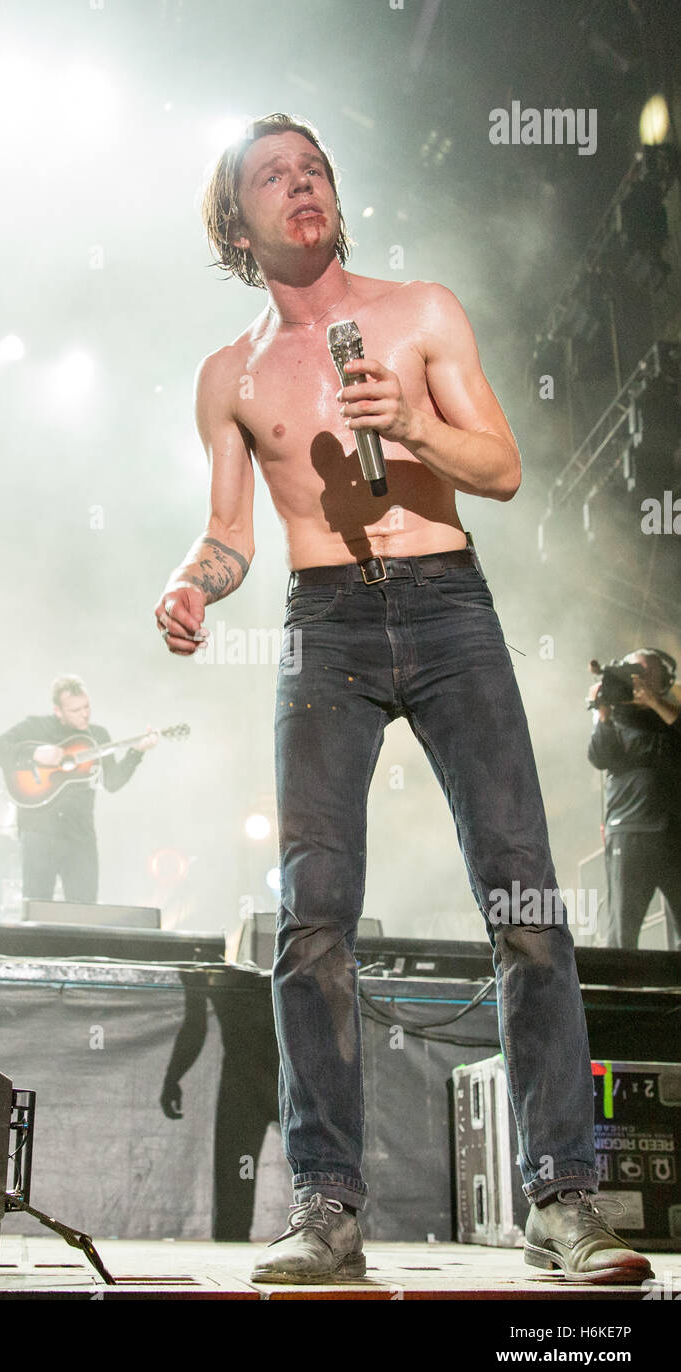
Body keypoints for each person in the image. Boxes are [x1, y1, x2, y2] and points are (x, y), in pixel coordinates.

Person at [155, 112, 651, 1286]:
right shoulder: (228, 375)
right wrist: (191, 584)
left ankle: (561, 1198)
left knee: (524, 897)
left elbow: (503, 469)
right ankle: (325, 1207)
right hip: (322, 626)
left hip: (445, 605)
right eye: (273, 176)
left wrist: (412, 421)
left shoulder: (420, 310)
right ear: (237, 218)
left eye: (314, 168)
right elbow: (230, 531)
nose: (301, 186)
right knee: (312, 920)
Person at [0, 674, 156, 903]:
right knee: (37, 906)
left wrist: (137, 752)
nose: (85, 714)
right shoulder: (35, 727)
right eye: (76, 710)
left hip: (80, 835)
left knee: (84, 908)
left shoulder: (97, 736)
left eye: (86, 707)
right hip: (39, 831)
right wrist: (33, 754)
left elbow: (112, 783)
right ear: (58, 711)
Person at [588, 648, 681, 949]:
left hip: (674, 833)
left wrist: (653, 701)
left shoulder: (671, 714)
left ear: (664, 679)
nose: (640, 679)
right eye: (634, 673)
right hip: (629, 833)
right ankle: (623, 993)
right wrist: (602, 714)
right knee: (623, 932)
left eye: (648, 673)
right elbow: (600, 758)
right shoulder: (615, 717)